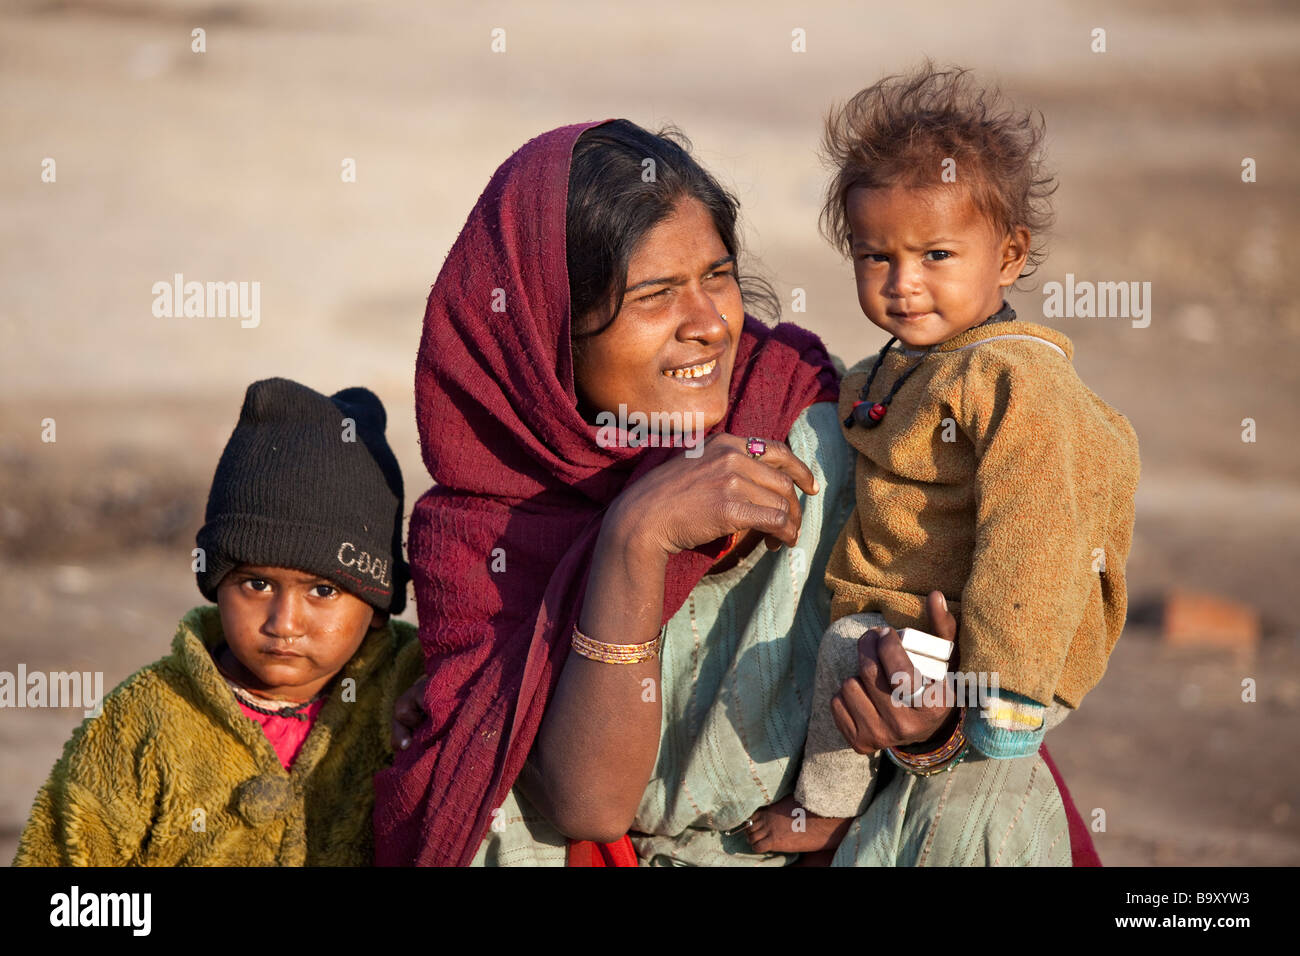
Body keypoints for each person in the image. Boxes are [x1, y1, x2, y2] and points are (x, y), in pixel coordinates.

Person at [375, 118, 1100, 866]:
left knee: (994, 794)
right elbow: (587, 806)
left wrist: (923, 725)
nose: (712, 326)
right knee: (479, 794)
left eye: (717, 277)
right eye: (656, 294)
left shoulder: (811, 423)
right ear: (548, 328)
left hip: (825, 848)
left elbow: (968, 639)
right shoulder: (482, 523)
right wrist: (635, 536)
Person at [748, 65, 1139, 862]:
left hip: (997, 656)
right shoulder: (907, 366)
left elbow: (1036, 534)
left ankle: (826, 811)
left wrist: (1004, 688)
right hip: (917, 628)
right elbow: (860, 419)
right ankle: (847, 805)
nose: (903, 285)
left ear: (1009, 255)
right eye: (875, 257)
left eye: (935, 254)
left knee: (855, 661)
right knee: (845, 649)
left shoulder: (1014, 378)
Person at [13, 378, 424, 866]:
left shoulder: (410, 691)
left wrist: (437, 697)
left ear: (377, 607)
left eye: (323, 591)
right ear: (217, 585)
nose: (284, 622)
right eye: (257, 584)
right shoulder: (141, 721)